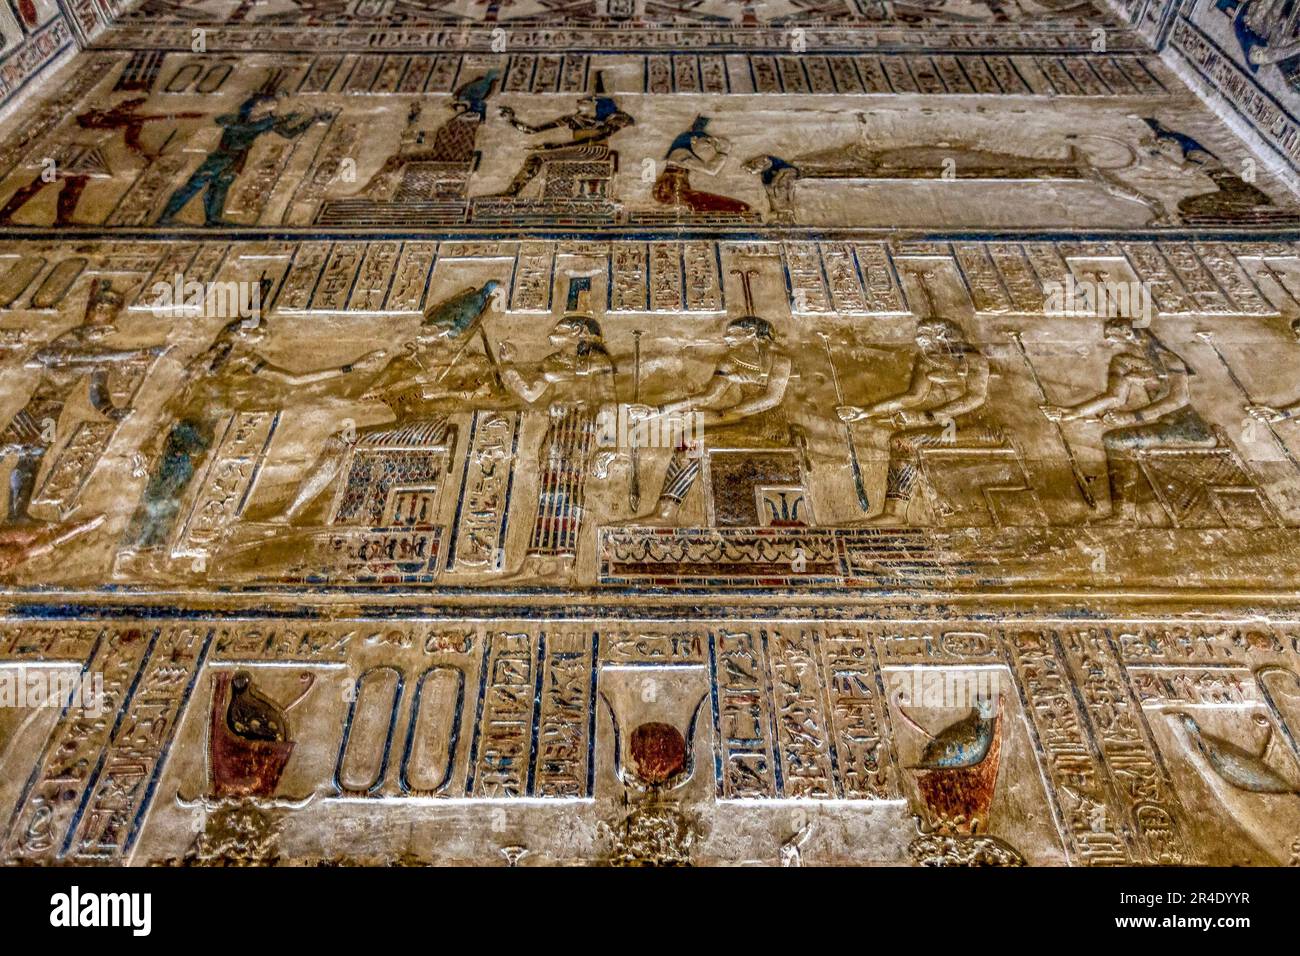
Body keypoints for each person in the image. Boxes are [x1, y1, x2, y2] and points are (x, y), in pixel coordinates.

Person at [1042, 318, 1217, 524]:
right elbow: (1114, 397)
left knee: (1116, 441)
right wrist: (1075, 412)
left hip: (1190, 429)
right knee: (1113, 439)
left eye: (1121, 337)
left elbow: (1178, 399)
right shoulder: (1123, 361)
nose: (1117, 343)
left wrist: (1130, 417)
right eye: (1114, 339)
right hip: (1167, 425)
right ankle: (1123, 514)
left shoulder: (1169, 360)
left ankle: (1124, 515)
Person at [498, 280, 615, 579]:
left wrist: (610, 446)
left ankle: (565, 565)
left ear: (578, 333)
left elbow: (609, 403)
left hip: (582, 429)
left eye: (562, 328)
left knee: (572, 494)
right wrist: (508, 366)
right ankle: (534, 561)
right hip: (556, 431)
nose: (554, 332)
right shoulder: (552, 361)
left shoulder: (597, 362)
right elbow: (531, 392)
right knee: (547, 493)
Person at [627, 315, 791, 525]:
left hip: (770, 429)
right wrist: (657, 411)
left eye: (733, 333)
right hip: (744, 423)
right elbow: (708, 396)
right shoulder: (730, 361)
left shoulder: (779, 359)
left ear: (751, 333)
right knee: (687, 440)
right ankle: (666, 512)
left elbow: (772, 399)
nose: (726, 338)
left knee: (691, 442)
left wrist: (729, 413)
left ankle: (666, 513)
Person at [838, 317, 1003, 525]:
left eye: (924, 338)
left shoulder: (973, 361)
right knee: (900, 438)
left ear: (942, 337)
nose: (920, 342)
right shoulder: (927, 360)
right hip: (943, 428)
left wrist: (927, 417)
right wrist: (864, 412)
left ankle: (896, 513)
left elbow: (975, 398)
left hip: (973, 428)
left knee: (906, 441)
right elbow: (912, 397)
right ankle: (894, 512)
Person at [157, 92, 331, 226]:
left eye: (272, 109)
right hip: (221, 156)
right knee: (195, 184)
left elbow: (289, 133)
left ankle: (213, 219)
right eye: (267, 107)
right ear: (255, 106)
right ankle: (166, 216)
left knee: (221, 186)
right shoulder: (238, 120)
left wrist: (312, 119)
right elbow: (246, 126)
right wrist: (284, 116)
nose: (271, 111)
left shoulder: (266, 121)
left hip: (237, 158)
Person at [489, 94, 633, 199]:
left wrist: (556, 146)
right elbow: (533, 131)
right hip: (578, 151)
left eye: (585, 100)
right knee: (535, 158)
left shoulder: (611, 121)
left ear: (595, 104)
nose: (578, 101)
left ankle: (512, 194)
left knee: (536, 158)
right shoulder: (572, 119)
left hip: (595, 152)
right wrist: (512, 120)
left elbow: (593, 140)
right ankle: (511, 194)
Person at [651, 116, 751, 215]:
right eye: (707, 141)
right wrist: (723, 151)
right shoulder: (681, 154)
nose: (709, 146)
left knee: (709, 202)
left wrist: (697, 127)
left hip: (677, 191)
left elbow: (691, 131)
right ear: (694, 140)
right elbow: (712, 170)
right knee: (719, 202)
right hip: (667, 192)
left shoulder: (684, 152)